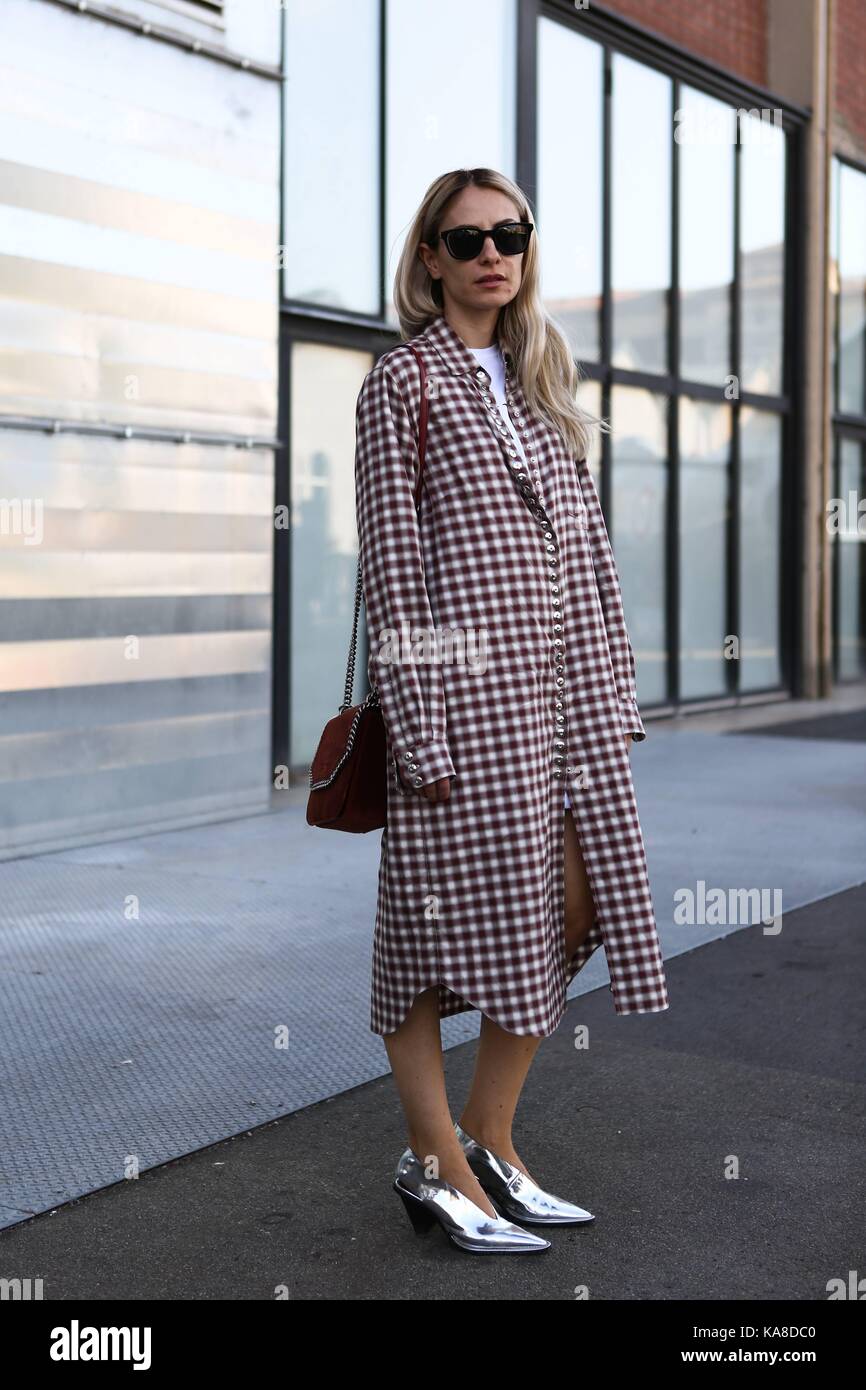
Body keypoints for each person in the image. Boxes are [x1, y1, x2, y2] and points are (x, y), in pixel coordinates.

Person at [353, 167, 669, 1255]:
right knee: (426, 938)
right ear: (429, 258)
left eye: (510, 232)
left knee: (569, 909)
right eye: (467, 236)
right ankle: (438, 1162)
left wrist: (610, 694)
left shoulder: (541, 384)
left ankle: (489, 1136)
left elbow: (589, 559)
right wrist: (422, 721)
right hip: (462, 706)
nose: (493, 251)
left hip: (563, 705)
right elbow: (394, 568)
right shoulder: (404, 383)